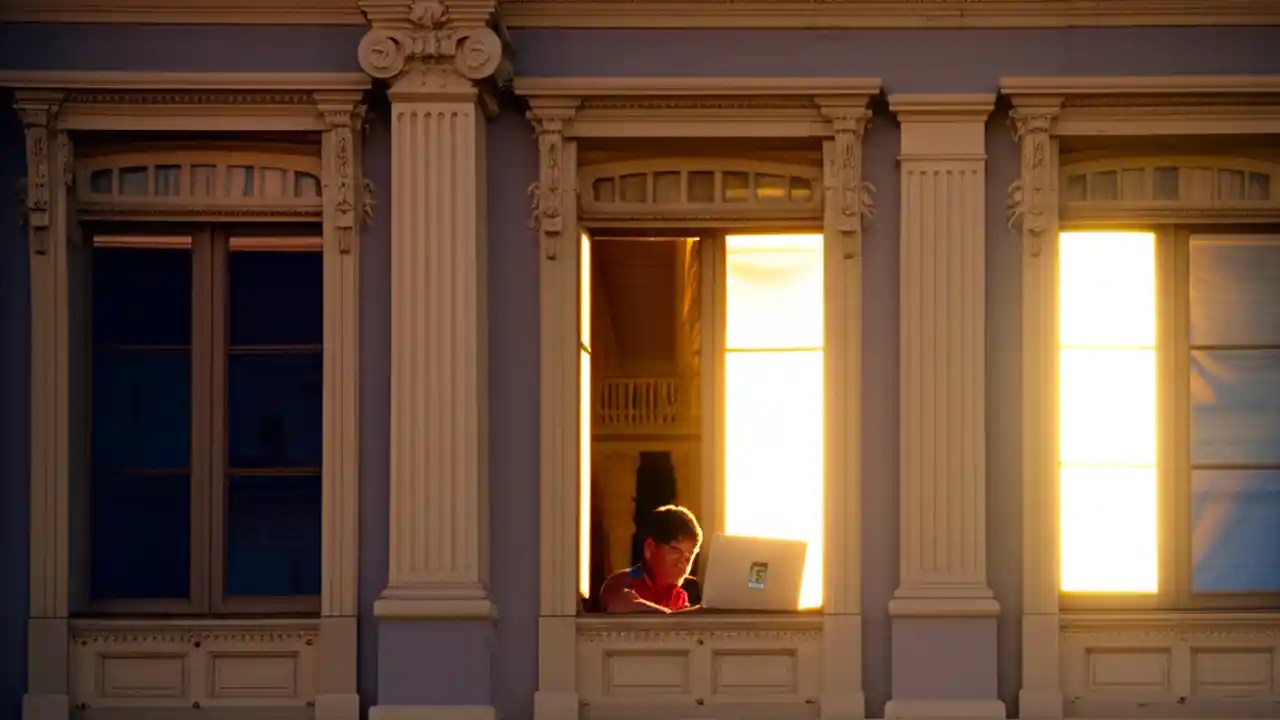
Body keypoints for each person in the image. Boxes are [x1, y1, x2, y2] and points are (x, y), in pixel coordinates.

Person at [599, 504, 702, 614]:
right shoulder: (624, 581)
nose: (683, 563)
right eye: (675, 551)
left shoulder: (679, 597)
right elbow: (619, 605)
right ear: (649, 548)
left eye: (689, 556)